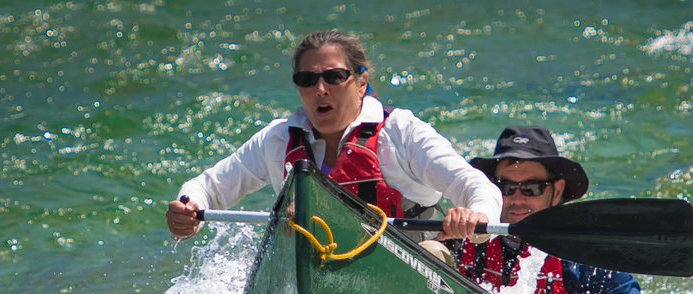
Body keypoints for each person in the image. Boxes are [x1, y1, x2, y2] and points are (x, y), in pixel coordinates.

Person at [166, 30, 500, 248]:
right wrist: (187, 207)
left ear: (361, 82)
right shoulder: (278, 139)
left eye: (334, 77)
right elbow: (206, 188)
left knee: (431, 251)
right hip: (322, 272)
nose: (320, 89)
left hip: (413, 273)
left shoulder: (401, 133)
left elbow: (477, 187)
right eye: (307, 79)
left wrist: (476, 215)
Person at [456, 126, 672, 294]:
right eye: (506, 187)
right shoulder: (461, 237)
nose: (517, 199)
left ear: (556, 191)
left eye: (532, 188)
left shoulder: (583, 258)